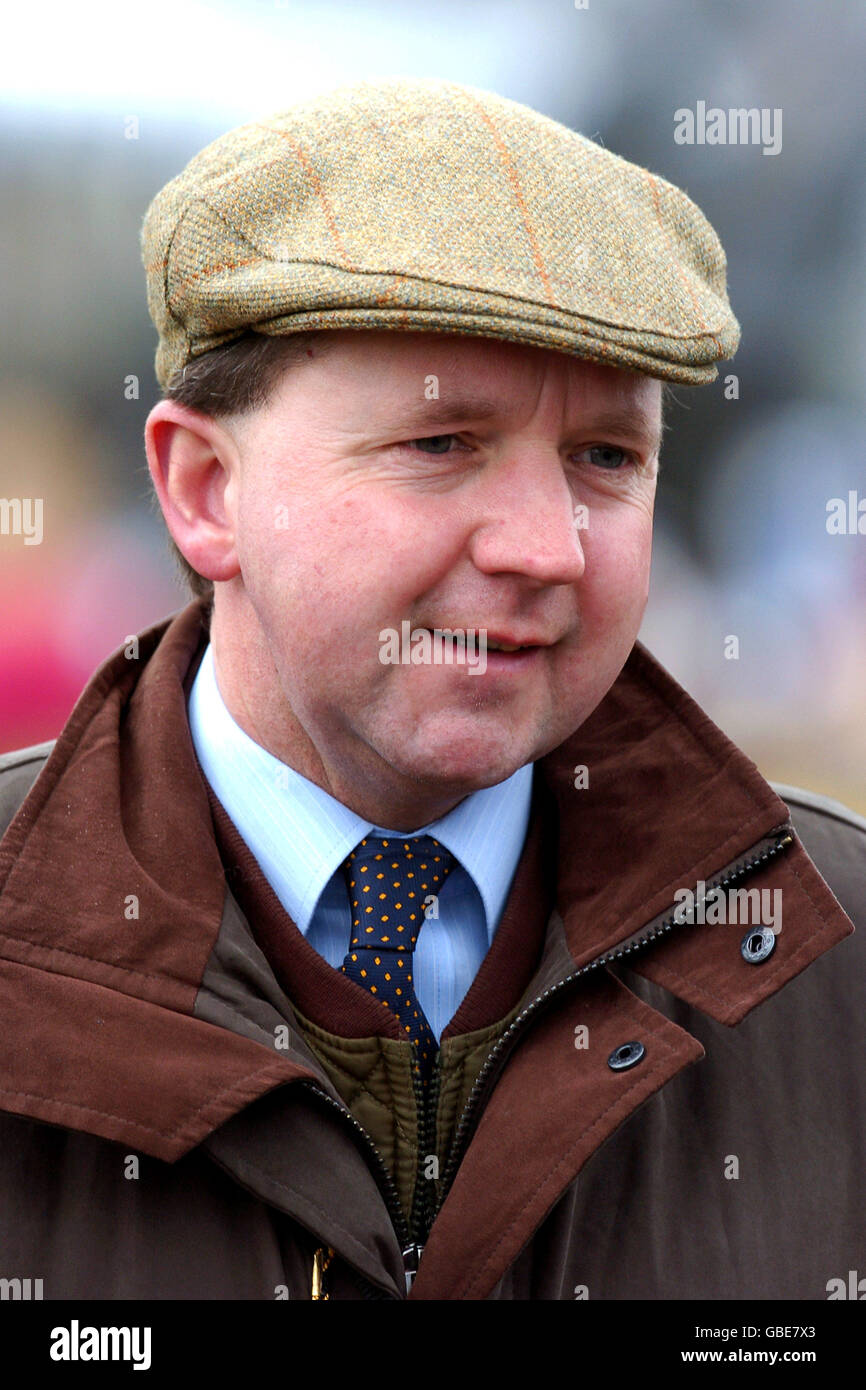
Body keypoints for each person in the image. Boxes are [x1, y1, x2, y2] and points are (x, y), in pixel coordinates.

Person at [0, 76, 863, 1303]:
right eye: (440, 443)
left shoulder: (825, 957)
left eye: (604, 456)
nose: (545, 546)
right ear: (203, 490)